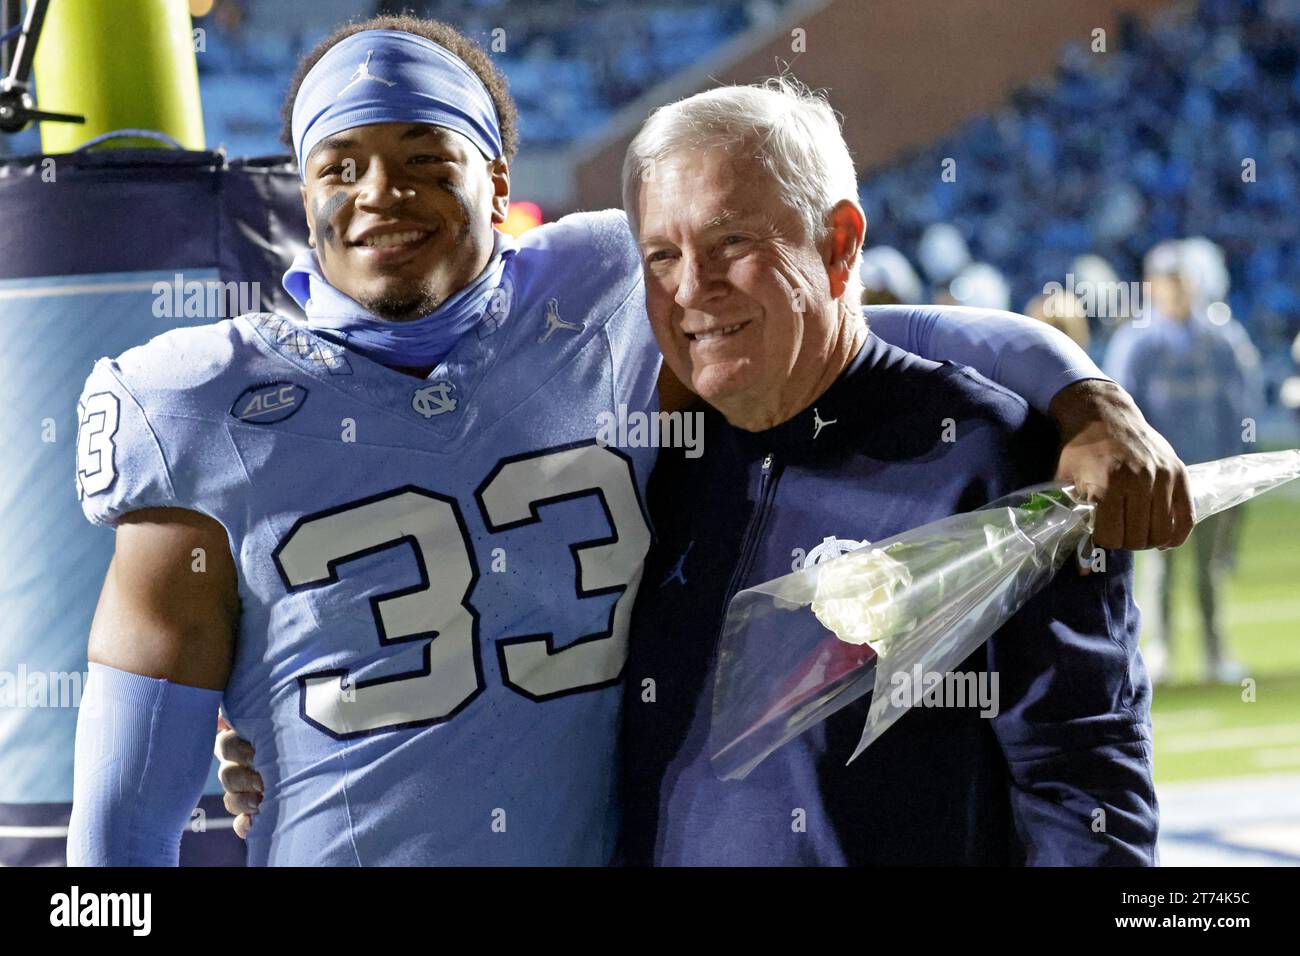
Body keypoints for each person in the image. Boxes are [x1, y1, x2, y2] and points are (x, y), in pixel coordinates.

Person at [75, 16, 1187, 866]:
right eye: (343, 164)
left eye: (426, 157)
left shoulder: (608, 283)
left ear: (499, 184)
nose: (383, 193)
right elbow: (119, 828)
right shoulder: (200, 404)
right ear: (300, 186)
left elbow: (880, 331)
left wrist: (1090, 396)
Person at [617, 79, 1158, 865]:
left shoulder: (990, 458)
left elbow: (1081, 789)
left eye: (731, 241)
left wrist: (1088, 396)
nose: (692, 288)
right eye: (662, 255)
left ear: (839, 244)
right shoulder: (655, 456)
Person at [1104, 240, 1261, 684]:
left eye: (1184, 283)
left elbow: (1240, 405)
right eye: (1170, 284)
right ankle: (1161, 650)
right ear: (1153, 287)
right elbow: (1120, 411)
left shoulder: (1221, 336)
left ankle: (1215, 652)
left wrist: (1241, 461)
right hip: (1159, 478)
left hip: (1213, 472)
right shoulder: (1136, 343)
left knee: (1209, 569)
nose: (1178, 292)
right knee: (1158, 570)